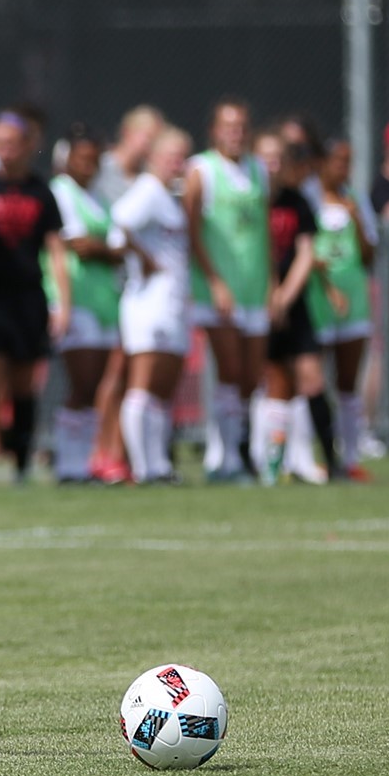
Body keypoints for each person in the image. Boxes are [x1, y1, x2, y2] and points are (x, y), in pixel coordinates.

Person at [0, 106, 69, 481]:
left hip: (28, 299)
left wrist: (62, 304)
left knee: (24, 384)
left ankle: (22, 464)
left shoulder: (42, 191)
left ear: (26, 145)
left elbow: (55, 250)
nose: (3, 151)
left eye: (10, 144)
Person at [185, 97, 268, 483]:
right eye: (228, 126)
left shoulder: (258, 171)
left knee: (251, 377)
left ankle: (242, 452)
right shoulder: (202, 170)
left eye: (242, 126)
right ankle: (225, 458)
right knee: (230, 372)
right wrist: (215, 281)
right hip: (219, 289)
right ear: (214, 131)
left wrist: (273, 283)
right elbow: (193, 231)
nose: (236, 134)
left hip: (253, 288)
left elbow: (264, 232)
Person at [110, 128, 192, 484]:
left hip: (173, 301)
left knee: (162, 387)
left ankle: (159, 465)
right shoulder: (147, 189)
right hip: (148, 303)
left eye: (183, 156)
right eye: (172, 156)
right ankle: (143, 467)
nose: (178, 164)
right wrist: (142, 257)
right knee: (142, 384)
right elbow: (120, 221)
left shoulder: (171, 195)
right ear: (154, 157)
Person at [49, 124, 124, 483]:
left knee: (96, 387)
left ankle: (86, 461)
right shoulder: (61, 191)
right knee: (82, 383)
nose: (88, 166)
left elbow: (110, 247)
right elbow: (78, 245)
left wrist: (106, 251)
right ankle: (68, 462)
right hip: (76, 299)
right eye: (82, 159)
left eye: (94, 160)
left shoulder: (98, 195)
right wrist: (107, 251)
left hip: (103, 298)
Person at [259, 138, 335, 485]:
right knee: (276, 383)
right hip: (259, 298)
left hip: (294, 302)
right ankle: (273, 464)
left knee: (311, 378)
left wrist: (285, 298)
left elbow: (306, 253)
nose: (272, 166)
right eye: (266, 159)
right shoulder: (253, 200)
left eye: (278, 159)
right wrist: (270, 296)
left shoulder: (297, 201)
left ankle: (328, 460)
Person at [307, 140, 378, 482]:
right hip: (318, 298)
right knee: (311, 378)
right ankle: (309, 457)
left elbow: (368, 256)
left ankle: (350, 458)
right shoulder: (310, 198)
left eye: (348, 162)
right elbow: (308, 252)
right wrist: (327, 287)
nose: (342, 168)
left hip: (354, 298)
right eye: (337, 161)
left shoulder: (355, 199)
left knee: (348, 382)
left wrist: (358, 220)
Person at [92, 105, 164, 207]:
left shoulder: (149, 177)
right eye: (149, 137)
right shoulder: (100, 165)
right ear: (126, 131)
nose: (152, 144)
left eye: (156, 140)